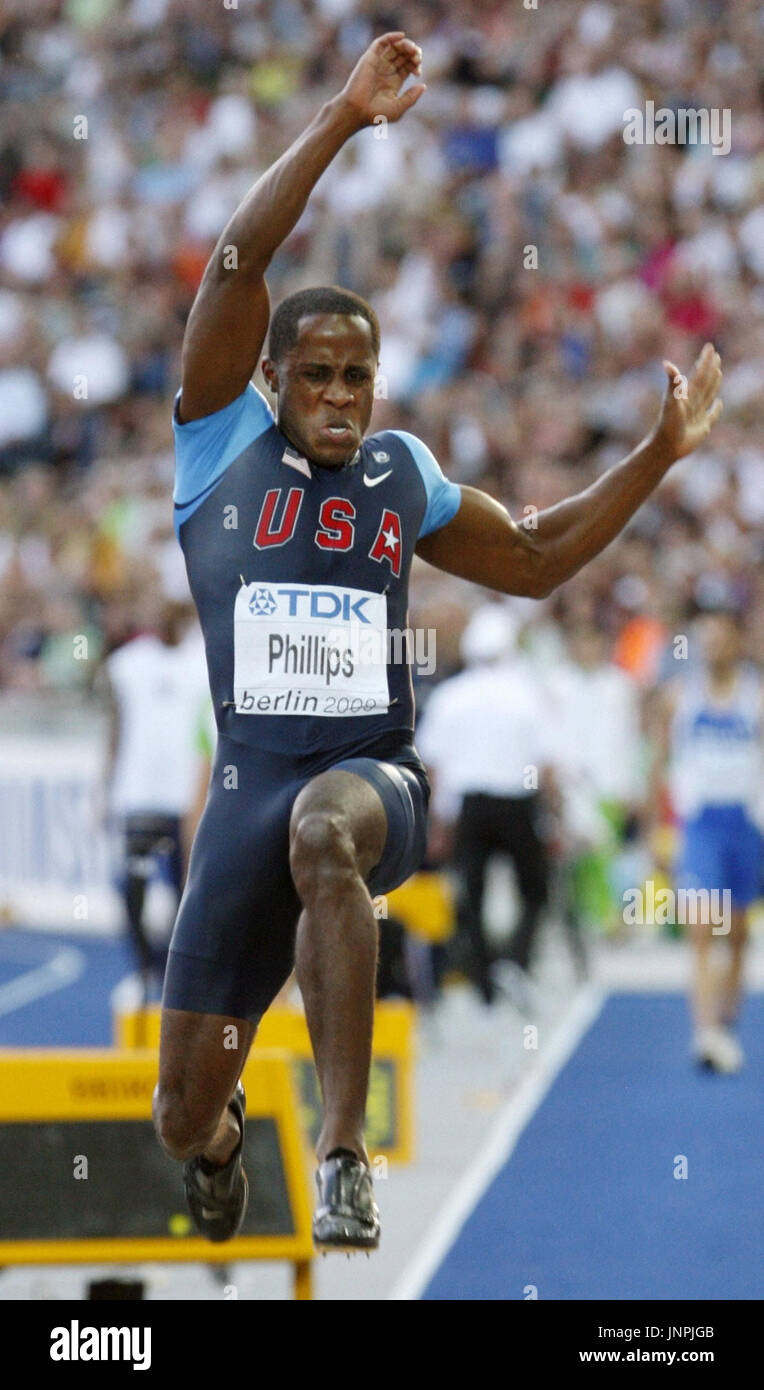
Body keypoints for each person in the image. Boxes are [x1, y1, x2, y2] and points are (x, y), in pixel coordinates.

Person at [151, 30, 724, 1252]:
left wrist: (655, 457)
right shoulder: (212, 440)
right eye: (320, 377)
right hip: (245, 795)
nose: (347, 399)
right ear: (267, 376)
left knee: (326, 836)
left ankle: (343, 1151)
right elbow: (238, 255)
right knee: (173, 1109)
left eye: (362, 376)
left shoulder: (400, 474)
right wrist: (344, 120)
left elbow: (534, 558)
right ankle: (217, 1138)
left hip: (371, 782)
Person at [417, 604, 554, 1004]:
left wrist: (439, 823)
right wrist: (555, 817)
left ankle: (485, 982)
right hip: (518, 804)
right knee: (534, 891)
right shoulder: (528, 691)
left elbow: (433, 766)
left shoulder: (450, 695)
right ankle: (514, 958)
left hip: (470, 807)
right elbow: (546, 763)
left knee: (470, 897)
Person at [650, 608, 763, 1073]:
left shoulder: (755, 699)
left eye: (722, 637)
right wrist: (654, 835)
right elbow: (657, 767)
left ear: (736, 642)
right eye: (706, 639)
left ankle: (726, 1018)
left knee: (736, 933)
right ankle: (705, 1032)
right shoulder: (678, 697)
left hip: (745, 822)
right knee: (702, 928)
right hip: (698, 825)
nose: (714, 646)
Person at [100, 598, 209, 998]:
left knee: (186, 891)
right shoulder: (128, 664)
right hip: (139, 796)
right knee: (133, 888)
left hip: (186, 801)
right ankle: (145, 964)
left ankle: (171, 970)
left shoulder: (204, 660)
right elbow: (115, 727)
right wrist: (104, 789)